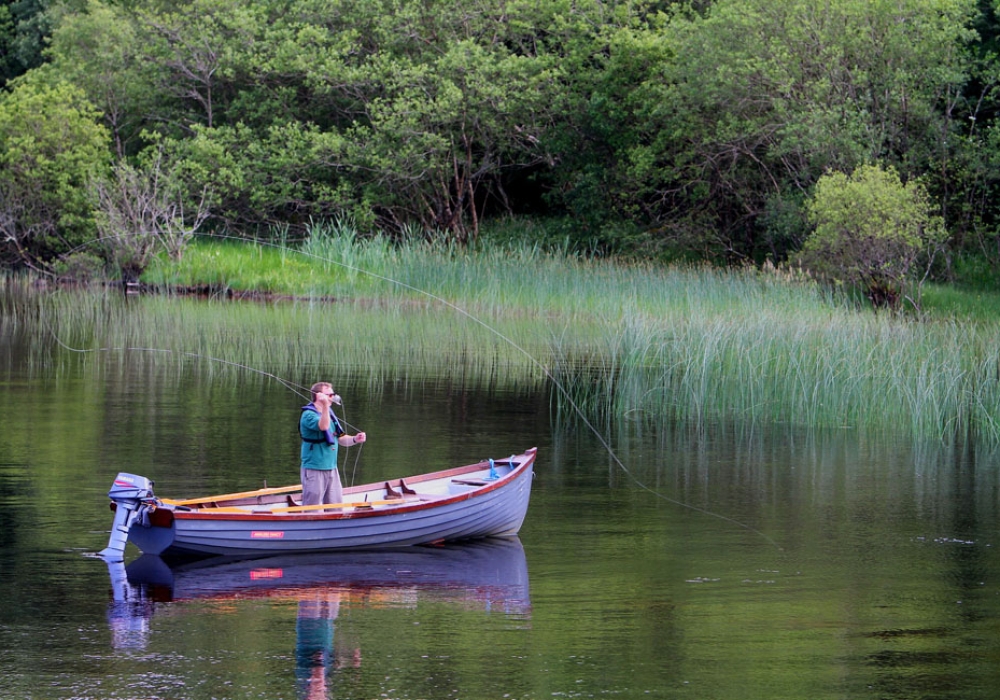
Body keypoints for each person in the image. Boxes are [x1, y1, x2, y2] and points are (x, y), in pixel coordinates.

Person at [300, 382, 366, 507]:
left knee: (335, 507)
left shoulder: (329, 413)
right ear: (318, 396)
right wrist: (325, 405)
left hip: (331, 468)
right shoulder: (308, 415)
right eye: (329, 394)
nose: (332, 397)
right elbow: (323, 426)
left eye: (333, 394)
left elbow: (341, 438)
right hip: (314, 468)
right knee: (312, 508)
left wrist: (355, 439)